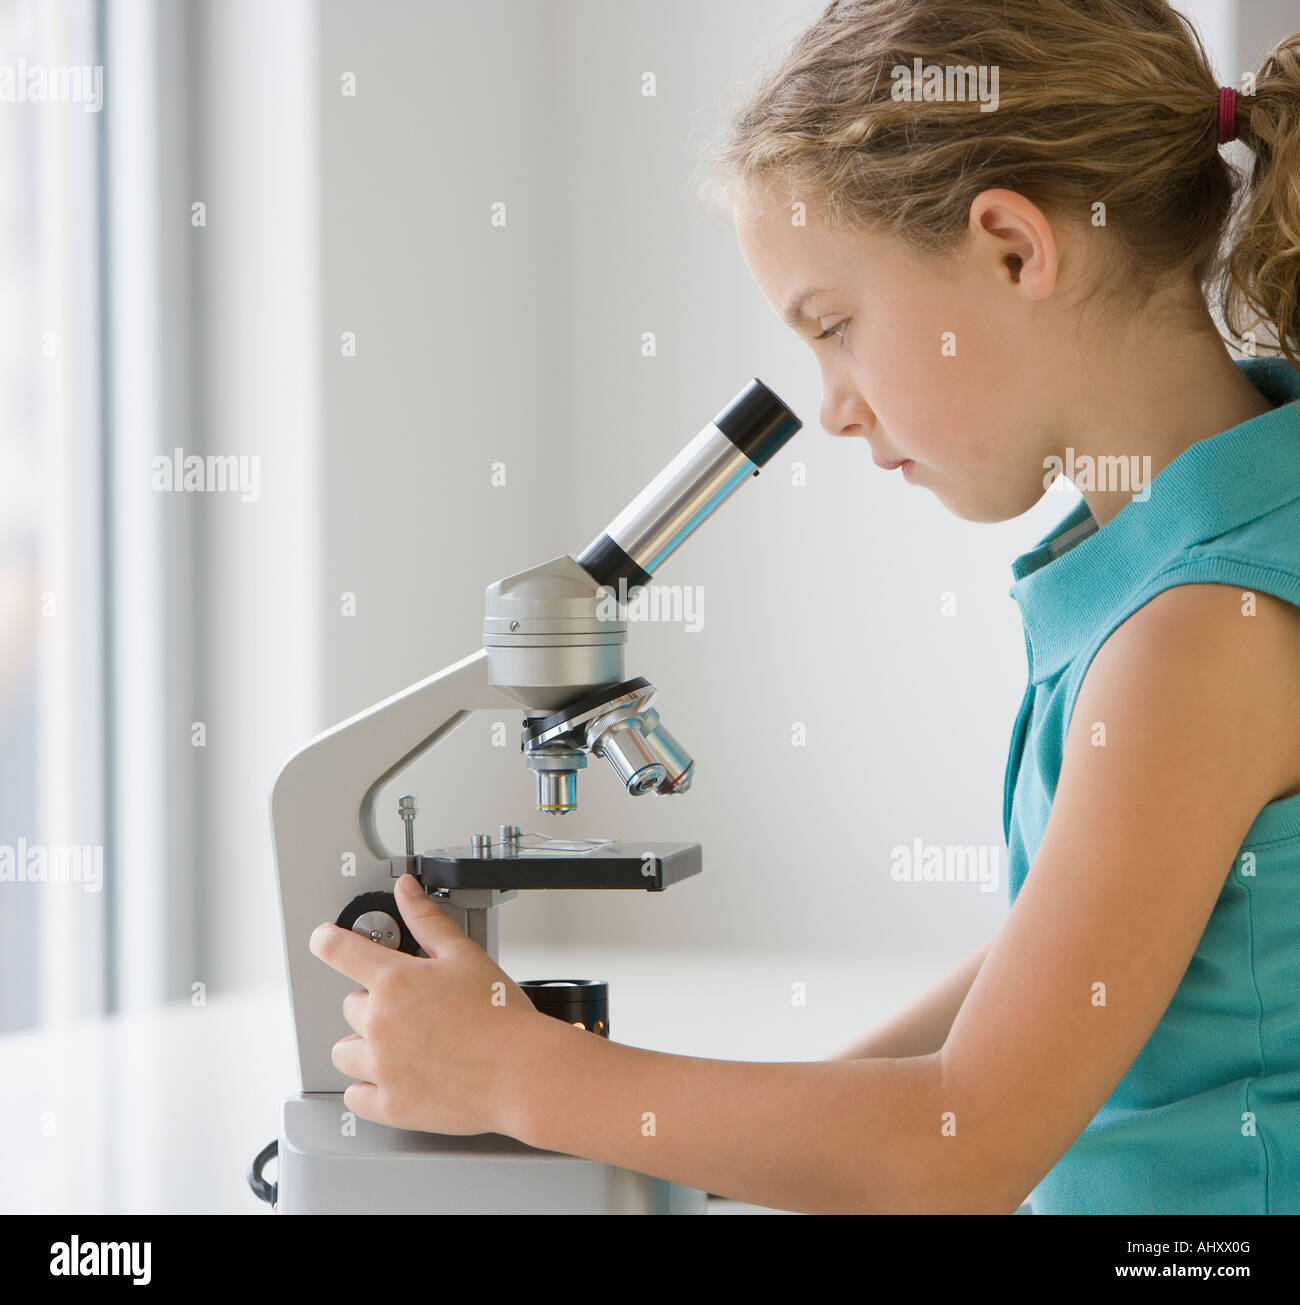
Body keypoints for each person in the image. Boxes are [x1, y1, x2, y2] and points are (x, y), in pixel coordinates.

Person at [310, 0, 1300, 1214]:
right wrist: (757, 1138)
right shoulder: (1196, 540)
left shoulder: (1198, 631)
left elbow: (960, 1146)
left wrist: (523, 1077)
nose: (830, 406)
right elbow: (1081, 953)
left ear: (1013, 248)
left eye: (834, 327)